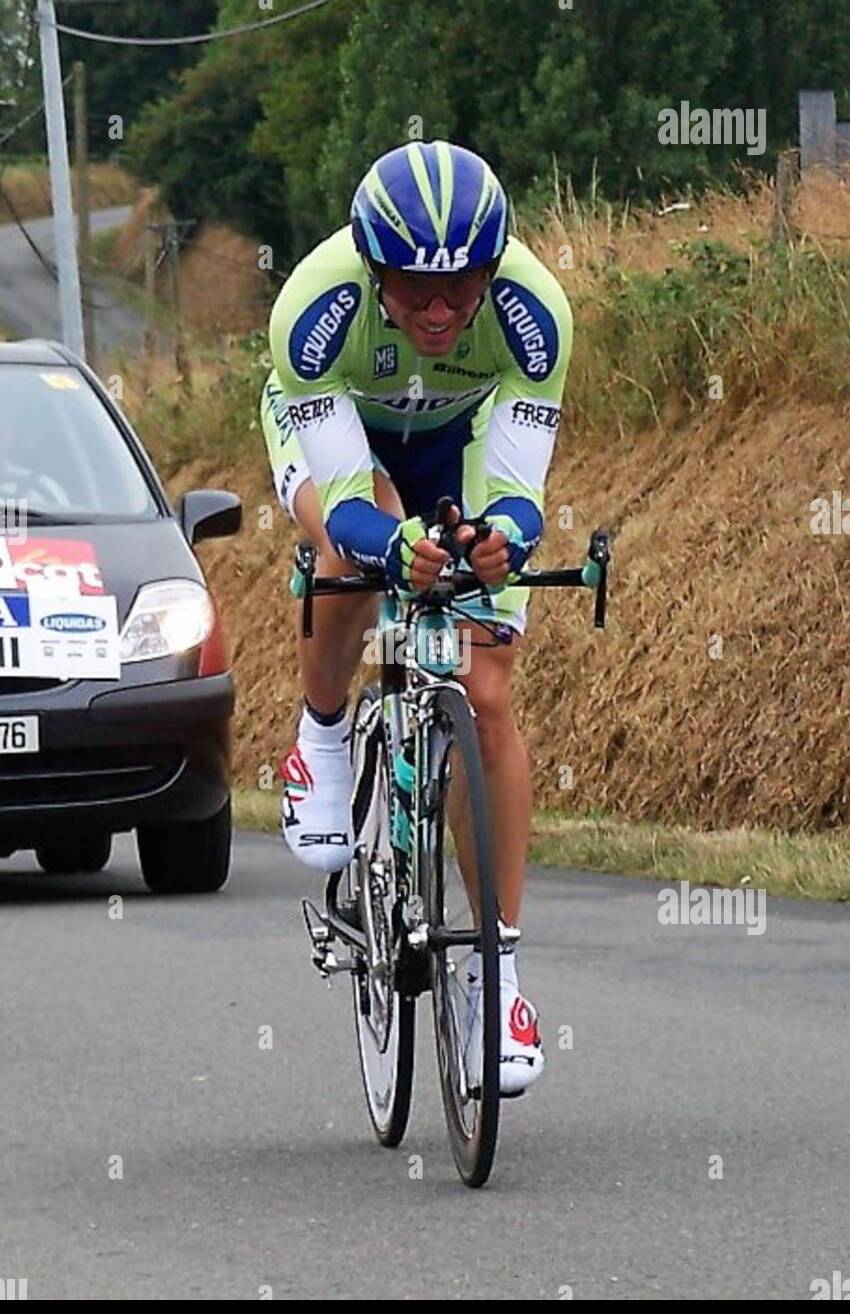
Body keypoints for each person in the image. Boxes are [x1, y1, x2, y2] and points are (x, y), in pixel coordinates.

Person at [261, 140, 573, 1095]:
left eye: (461, 288)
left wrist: (502, 541)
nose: (439, 311)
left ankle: (497, 973)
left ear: (493, 268)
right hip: (346, 428)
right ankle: (321, 740)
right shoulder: (313, 311)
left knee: (485, 693)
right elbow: (349, 493)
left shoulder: (533, 314)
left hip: (462, 435)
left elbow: (519, 490)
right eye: (412, 290)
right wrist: (393, 545)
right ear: (371, 267)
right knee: (361, 549)